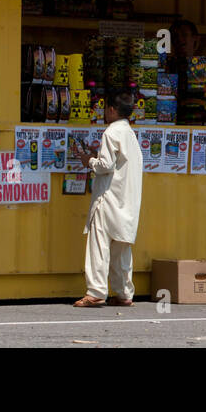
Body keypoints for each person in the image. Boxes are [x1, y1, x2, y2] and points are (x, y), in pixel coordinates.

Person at [72, 91, 143, 307]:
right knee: (121, 250)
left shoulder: (111, 133)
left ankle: (95, 292)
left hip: (108, 199)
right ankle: (124, 293)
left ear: (111, 110)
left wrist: (89, 160)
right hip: (127, 202)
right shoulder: (130, 135)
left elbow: (105, 166)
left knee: (99, 246)